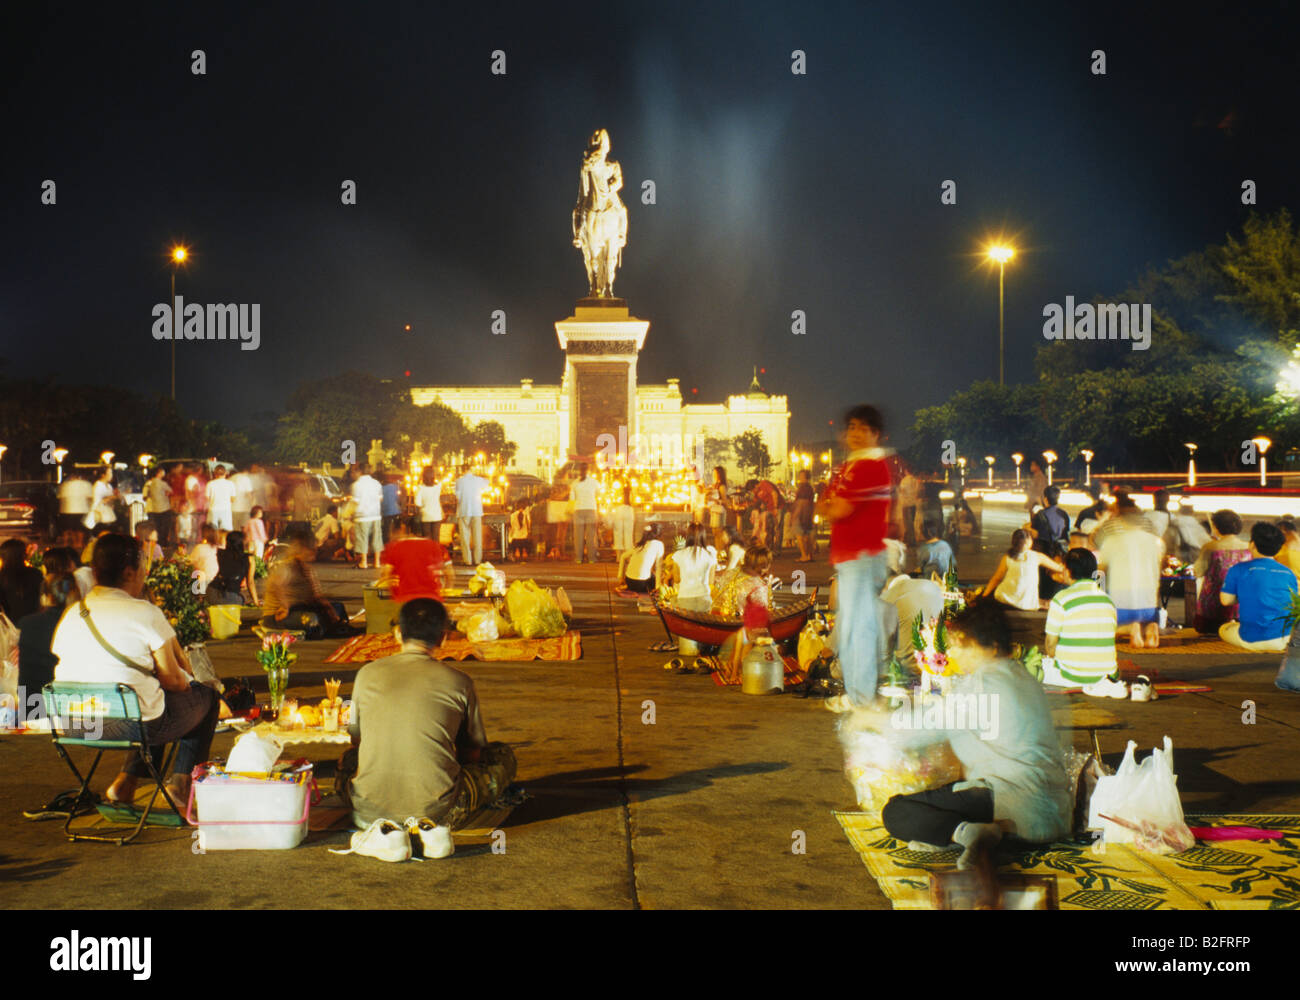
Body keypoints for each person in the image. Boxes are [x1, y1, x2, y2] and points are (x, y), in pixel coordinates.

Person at [879, 600, 1072, 867]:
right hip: (1056, 815)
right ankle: (976, 833)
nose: (956, 653)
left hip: (1014, 802)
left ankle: (970, 833)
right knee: (943, 794)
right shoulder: (1024, 678)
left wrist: (877, 724)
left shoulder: (984, 685)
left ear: (991, 647)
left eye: (963, 645)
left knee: (896, 811)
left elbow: (924, 727)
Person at [51, 533, 220, 805]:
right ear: (130, 571)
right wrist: (194, 688)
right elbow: (174, 680)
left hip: (74, 723)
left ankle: (125, 783)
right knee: (205, 700)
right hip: (127, 725)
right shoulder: (145, 612)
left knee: (149, 701)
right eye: (143, 565)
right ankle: (180, 786)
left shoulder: (73, 613)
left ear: (95, 571)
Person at [342, 598, 517, 835]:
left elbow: (355, 741)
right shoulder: (460, 682)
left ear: (397, 633)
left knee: (348, 761)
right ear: (444, 638)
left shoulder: (364, 674)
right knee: (502, 756)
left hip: (366, 811)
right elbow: (473, 752)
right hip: (436, 814)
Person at [817, 405, 893, 708]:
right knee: (850, 627)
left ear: (875, 434)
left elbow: (835, 508)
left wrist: (828, 506)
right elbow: (828, 503)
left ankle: (861, 698)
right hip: (852, 557)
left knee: (857, 628)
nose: (856, 434)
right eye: (852, 427)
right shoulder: (852, 464)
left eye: (864, 428)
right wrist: (829, 505)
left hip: (863, 557)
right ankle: (857, 693)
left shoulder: (868, 467)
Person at [1042, 548, 1124, 696]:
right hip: (1105, 676)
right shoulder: (1108, 600)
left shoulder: (1061, 598)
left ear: (1068, 571)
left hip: (1070, 677)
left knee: (1038, 666)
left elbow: (1050, 646)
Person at [260, 523, 352, 636]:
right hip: (278, 616)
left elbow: (315, 597)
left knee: (338, 607)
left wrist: (328, 609)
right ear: (302, 549)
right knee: (312, 620)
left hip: (298, 608)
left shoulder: (305, 567)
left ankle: (333, 627)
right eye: (312, 549)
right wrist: (285, 606)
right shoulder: (286, 566)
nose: (315, 552)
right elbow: (276, 584)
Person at [1097, 497, 1165, 648]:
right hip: (1149, 604)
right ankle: (1148, 627)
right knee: (1145, 618)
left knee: (1107, 628)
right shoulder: (1155, 542)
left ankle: (1130, 628)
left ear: (1122, 522)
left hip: (1121, 601)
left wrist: (1097, 592)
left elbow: (1101, 571)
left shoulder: (1112, 540)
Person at [1219, 522, 1297, 652]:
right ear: (1278, 548)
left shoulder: (1238, 569)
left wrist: (1247, 594)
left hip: (1252, 638)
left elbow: (1226, 601)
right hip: (1285, 639)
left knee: (1223, 629)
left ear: (1252, 544)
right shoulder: (1288, 573)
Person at [17, 573, 78, 722]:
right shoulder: (78, 624)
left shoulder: (26, 623)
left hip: (30, 706)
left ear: (46, 596)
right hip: (68, 708)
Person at [1191, 509, 1251, 634]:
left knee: (1210, 631)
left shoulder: (1211, 547)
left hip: (1213, 608)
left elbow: (1198, 571)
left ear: (1217, 527)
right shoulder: (1249, 547)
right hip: (1242, 606)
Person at [980, 529, 1064, 611]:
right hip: (1027, 602)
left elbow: (996, 578)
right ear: (1028, 542)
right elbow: (1058, 568)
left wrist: (984, 595)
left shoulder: (1008, 557)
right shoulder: (1037, 556)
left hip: (1006, 596)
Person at [378, 516, 452, 603]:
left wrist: (394, 594)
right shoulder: (437, 546)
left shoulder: (394, 547)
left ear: (407, 530)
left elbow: (385, 574)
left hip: (405, 600)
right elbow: (450, 574)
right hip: (432, 600)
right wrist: (445, 592)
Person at [669, 523, 716, 655]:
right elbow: (711, 582)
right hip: (704, 599)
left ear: (687, 536)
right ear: (703, 536)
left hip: (685, 599)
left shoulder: (678, 555)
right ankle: (704, 649)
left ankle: (689, 649)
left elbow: (677, 579)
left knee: (687, 632)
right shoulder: (710, 555)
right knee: (703, 628)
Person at [879, 569, 943, 662]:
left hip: (910, 666)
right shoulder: (932, 586)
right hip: (941, 661)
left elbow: (884, 651)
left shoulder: (887, 599)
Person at [1029, 484, 1070, 600]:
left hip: (1045, 551)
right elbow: (1065, 534)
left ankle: (1044, 599)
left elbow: (1036, 534)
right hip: (1060, 552)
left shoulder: (1040, 515)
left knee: (1044, 579)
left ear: (1045, 499)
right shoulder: (1064, 514)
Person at [0, 538, 44, 624]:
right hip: (33, 623)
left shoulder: (2, 577)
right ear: (23, 555)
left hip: (9, 626)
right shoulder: (35, 574)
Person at [350, 465, 385, 570]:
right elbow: (380, 499)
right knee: (377, 538)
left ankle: (364, 562)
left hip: (362, 516)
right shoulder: (377, 483)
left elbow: (355, 502)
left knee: (362, 538)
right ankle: (377, 562)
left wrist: (350, 514)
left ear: (360, 472)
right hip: (375, 515)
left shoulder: (356, 485)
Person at [210, 529, 257, 606]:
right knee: (242, 598)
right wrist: (256, 602)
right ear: (241, 543)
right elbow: (250, 582)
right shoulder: (249, 559)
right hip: (229, 596)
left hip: (211, 592)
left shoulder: (220, 553)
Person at [454, 465, 489, 567]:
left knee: (465, 537)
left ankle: (467, 560)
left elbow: (457, 496)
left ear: (462, 471)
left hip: (463, 511)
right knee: (477, 536)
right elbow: (487, 482)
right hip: (476, 510)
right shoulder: (478, 480)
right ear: (471, 470)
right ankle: (478, 560)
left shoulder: (459, 481)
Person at [570, 464, 600, 564]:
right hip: (591, 509)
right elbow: (599, 495)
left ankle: (578, 558)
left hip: (578, 509)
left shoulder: (574, 483)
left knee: (578, 536)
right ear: (589, 471)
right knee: (591, 536)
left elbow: (572, 499)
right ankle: (592, 558)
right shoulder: (595, 482)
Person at [623, 524, 664, 593]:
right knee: (656, 577)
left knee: (651, 574)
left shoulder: (640, 544)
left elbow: (623, 556)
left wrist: (620, 576)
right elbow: (658, 567)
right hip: (642, 584)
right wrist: (657, 587)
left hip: (629, 582)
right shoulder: (659, 544)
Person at [143, 467, 174, 548]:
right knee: (164, 528)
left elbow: (145, 496)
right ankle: (163, 544)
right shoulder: (162, 483)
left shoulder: (149, 484)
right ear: (159, 473)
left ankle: (158, 544)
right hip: (164, 509)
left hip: (154, 509)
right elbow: (171, 491)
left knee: (157, 528)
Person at [58, 473, 94, 537]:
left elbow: (59, 497)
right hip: (82, 510)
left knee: (67, 528)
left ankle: (66, 544)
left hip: (66, 510)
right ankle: (78, 544)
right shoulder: (86, 484)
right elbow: (90, 497)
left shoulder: (64, 484)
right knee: (80, 529)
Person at [611, 486, 636, 579]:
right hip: (629, 510)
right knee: (628, 535)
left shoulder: (618, 491)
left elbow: (613, 501)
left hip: (619, 510)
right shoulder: (632, 492)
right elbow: (634, 502)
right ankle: (628, 557)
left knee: (618, 534)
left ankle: (618, 557)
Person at [793, 469, 816, 562]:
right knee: (807, 535)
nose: (799, 477)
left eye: (801, 476)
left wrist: (795, 514)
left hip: (802, 513)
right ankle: (810, 555)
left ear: (804, 477)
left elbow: (801, 502)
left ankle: (803, 555)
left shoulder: (803, 488)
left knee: (799, 535)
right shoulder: (810, 487)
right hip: (809, 513)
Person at [204, 465, 237, 532]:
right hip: (226, 510)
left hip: (213, 510)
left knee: (212, 532)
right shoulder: (230, 484)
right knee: (225, 532)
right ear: (225, 473)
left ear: (215, 474)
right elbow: (233, 499)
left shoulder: (210, 484)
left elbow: (207, 498)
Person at [190, 526, 221, 594]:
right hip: (218, 583)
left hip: (204, 583)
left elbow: (190, 564)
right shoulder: (220, 548)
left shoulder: (199, 548)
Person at [416, 466, 444, 542]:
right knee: (436, 537)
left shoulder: (420, 488)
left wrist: (419, 478)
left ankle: (428, 553)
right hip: (436, 515)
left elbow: (417, 503)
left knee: (427, 539)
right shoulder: (437, 487)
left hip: (426, 516)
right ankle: (436, 553)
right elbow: (441, 480)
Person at [896, 469, 919, 547]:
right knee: (911, 523)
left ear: (906, 471)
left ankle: (912, 542)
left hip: (906, 504)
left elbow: (901, 490)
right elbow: (918, 491)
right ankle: (907, 539)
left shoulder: (904, 480)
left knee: (908, 524)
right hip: (913, 505)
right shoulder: (915, 480)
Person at [381, 475, 402, 543]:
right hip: (395, 510)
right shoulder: (395, 487)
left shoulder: (382, 488)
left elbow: (381, 500)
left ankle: (386, 541)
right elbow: (397, 498)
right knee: (395, 527)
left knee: (386, 527)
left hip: (386, 511)